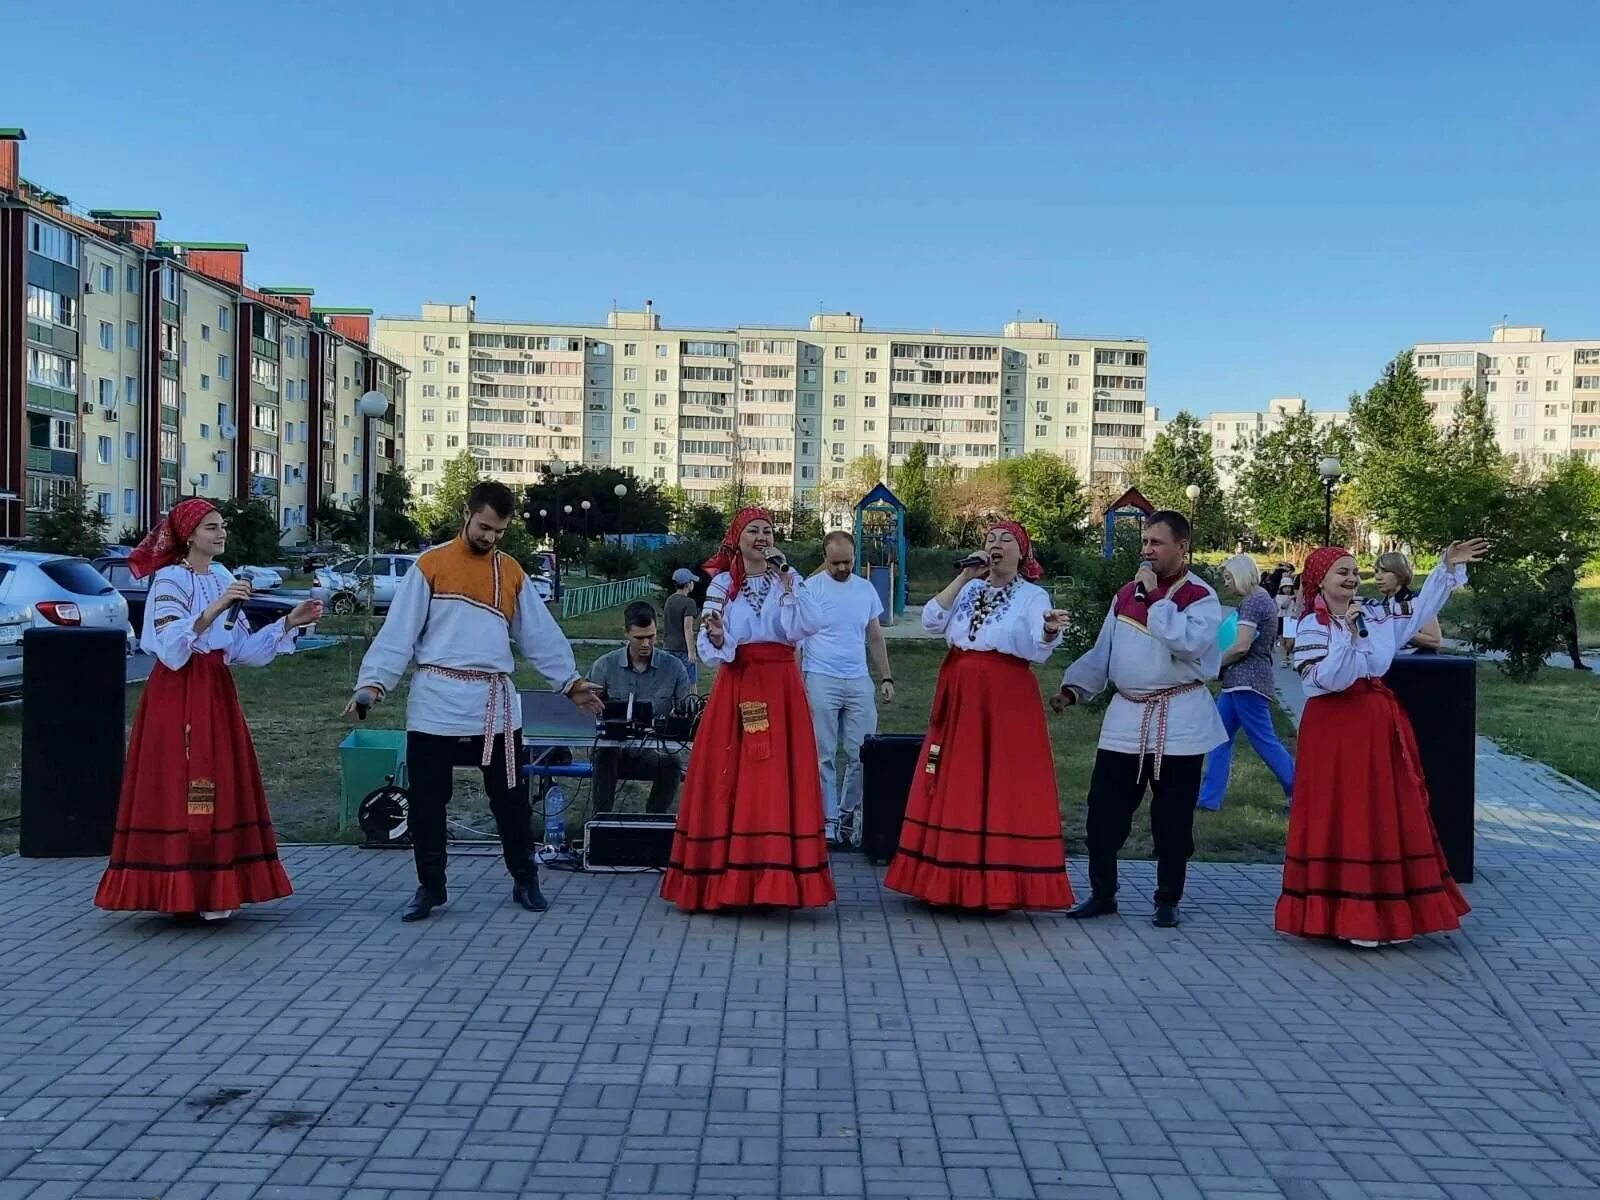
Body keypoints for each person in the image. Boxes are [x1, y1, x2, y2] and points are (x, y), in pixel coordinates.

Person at [349, 481, 603, 922]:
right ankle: (430, 888)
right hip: (435, 704)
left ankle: (526, 880)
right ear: (467, 513)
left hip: (495, 707)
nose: (490, 537)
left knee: (511, 801)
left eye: (499, 531)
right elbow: (398, 633)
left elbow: (539, 635)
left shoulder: (511, 572)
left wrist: (571, 682)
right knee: (427, 803)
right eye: (485, 527)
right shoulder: (430, 565)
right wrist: (372, 684)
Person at [95, 499, 322, 923]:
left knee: (218, 776)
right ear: (188, 535)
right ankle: (180, 886)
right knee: (184, 779)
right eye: (211, 528)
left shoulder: (221, 575)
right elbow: (170, 647)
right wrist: (215, 608)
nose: (220, 535)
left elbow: (238, 648)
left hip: (215, 688)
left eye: (221, 527)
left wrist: (289, 622)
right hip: (178, 691)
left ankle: (217, 884)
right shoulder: (169, 580)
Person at [1276, 539, 1489, 946]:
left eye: (1356, 572)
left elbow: (1421, 613)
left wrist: (1444, 569)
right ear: (1320, 581)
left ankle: (1381, 909)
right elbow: (1322, 682)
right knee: (1342, 811)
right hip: (1333, 726)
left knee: (1378, 810)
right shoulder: (1311, 626)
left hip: (1375, 724)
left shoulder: (1375, 615)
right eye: (1343, 572)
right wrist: (1348, 638)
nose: (1353, 578)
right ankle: (1339, 911)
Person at [884, 522, 1074, 911]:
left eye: (1006, 540)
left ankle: (996, 883)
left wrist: (1051, 631)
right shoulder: (971, 588)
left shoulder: (1033, 595)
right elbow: (933, 621)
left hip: (1004, 698)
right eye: (990, 540)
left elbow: (1040, 644)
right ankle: (946, 877)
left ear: (1023, 554)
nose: (995, 545)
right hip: (960, 694)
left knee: (1000, 779)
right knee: (954, 775)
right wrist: (965, 576)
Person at [1054, 510, 1225, 928]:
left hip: (1178, 719)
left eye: (1157, 543)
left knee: (1172, 815)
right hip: (1127, 719)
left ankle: (1168, 899)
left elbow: (1184, 643)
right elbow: (1105, 651)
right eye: (1145, 542)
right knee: (1104, 811)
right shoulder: (1125, 595)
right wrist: (1074, 687)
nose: (1147, 550)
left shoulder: (1200, 598)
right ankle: (1103, 893)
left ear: (1182, 547)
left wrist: (1154, 597)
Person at [660, 507, 835, 911]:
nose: (761, 536)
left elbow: (807, 625)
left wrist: (789, 578)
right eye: (752, 530)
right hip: (738, 686)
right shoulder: (723, 583)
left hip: (780, 686)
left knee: (776, 775)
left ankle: (775, 877)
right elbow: (711, 645)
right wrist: (719, 635)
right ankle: (725, 877)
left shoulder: (789, 579)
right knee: (732, 774)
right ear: (736, 539)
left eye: (767, 531)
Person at [801, 531, 894, 845]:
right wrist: (800, 680)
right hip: (820, 677)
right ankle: (825, 823)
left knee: (862, 755)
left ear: (856, 556)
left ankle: (846, 817)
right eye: (835, 563)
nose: (842, 568)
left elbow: (876, 636)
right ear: (824, 558)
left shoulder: (866, 590)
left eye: (848, 562)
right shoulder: (810, 589)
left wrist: (886, 677)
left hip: (858, 680)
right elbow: (798, 639)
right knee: (822, 755)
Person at [1198, 555, 1296, 813]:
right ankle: (1209, 800)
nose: (1226, 584)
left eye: (1229, 578)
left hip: (1248, 682)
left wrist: (1214, 664)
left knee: (1264, 741)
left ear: (1241, 576)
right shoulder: (1259, 599)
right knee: (1219, 739)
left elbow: (1241, 646)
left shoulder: (1254, 602)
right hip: (1237, 683)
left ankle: (1299, 791)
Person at [588, 601, 692, 813]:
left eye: (651, 637)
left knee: (672, 763)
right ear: (626, 633)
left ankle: (652, 823)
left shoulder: (673, 668)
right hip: (614, 748)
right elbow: (587, 709)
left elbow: (687, 712)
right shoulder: (604, 665)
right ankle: (601, 821)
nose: (646, 643)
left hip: (654, 750)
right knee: (603, 755)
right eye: (639, 638)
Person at [1373, 551, 1442, 654]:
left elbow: (1434, 640)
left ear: (1400, 573)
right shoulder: (1379, 606)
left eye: (1384, 571)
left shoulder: (1418, 601)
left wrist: (1396, 629)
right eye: (1376, 571)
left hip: (1417, 664)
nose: (1378, 577)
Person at [663, 568, 701, 684]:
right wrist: (691, 652)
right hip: (682, 649)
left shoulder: (669, 600)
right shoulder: (689, 603)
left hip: (668, 648)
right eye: (692, 582)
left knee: (670, 682)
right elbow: (688, 629)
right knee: (689, 683)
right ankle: (691, 702)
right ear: (688, 584)